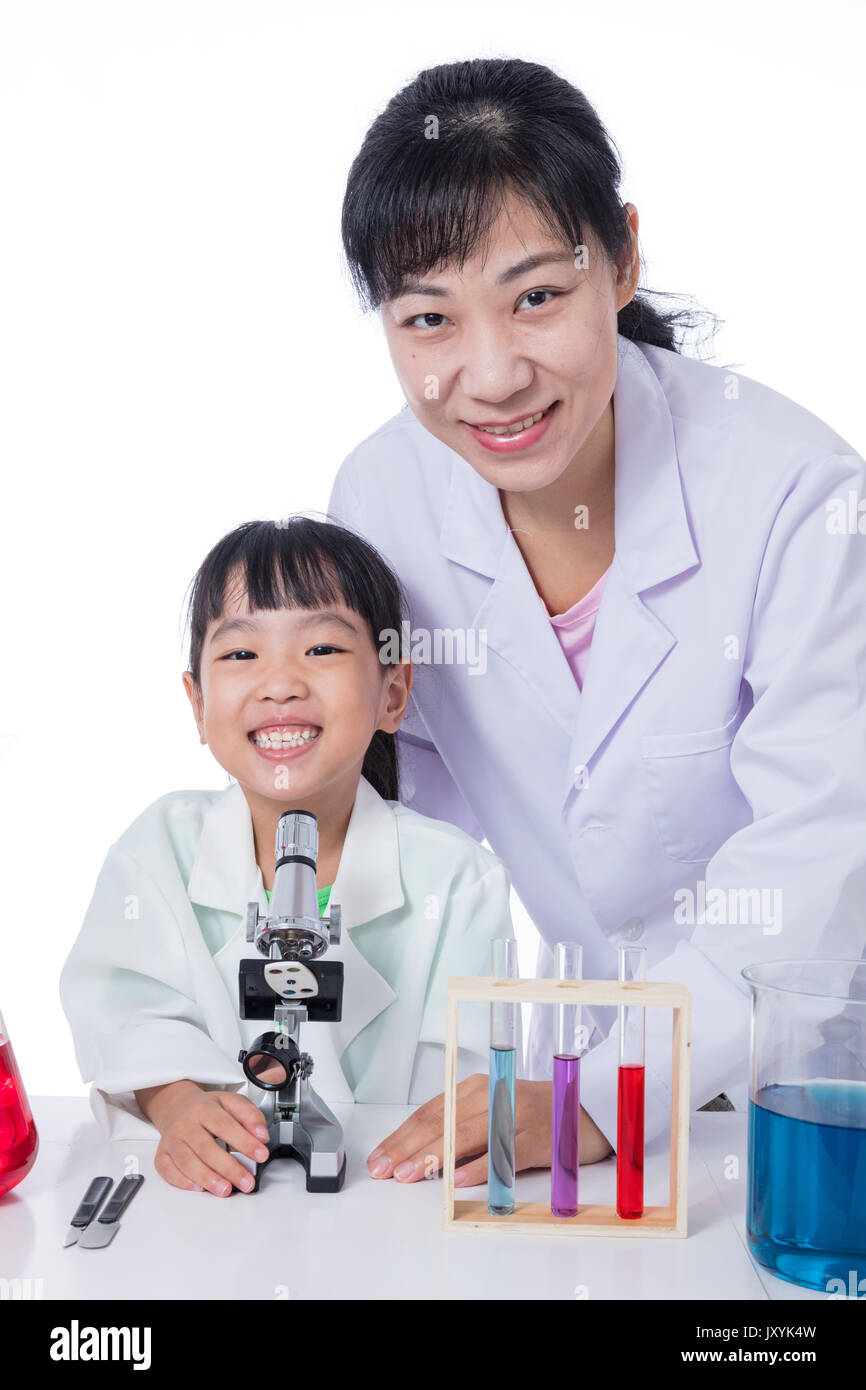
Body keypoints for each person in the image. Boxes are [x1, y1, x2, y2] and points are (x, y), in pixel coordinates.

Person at [328, 56, 866, 1184]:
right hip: (567, 1081)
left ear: (618, 259)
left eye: (535, 296)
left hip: (814, 1079)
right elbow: (410, 839)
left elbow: (819, 858)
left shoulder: (794, 495)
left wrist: (594, 1100)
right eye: (428, 317)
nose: (489, 375)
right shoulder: (384, 500)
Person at [60, 517, 521, 1196]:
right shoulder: (158, 850)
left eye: (323, 648)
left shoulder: (456, 882)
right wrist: (178, 1105)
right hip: (213, 1231)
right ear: (197, 704)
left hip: (388, 1211)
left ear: (393, 693)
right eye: (241, 656)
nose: (279, 685)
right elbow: (127, 1020)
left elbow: (467, 1098)